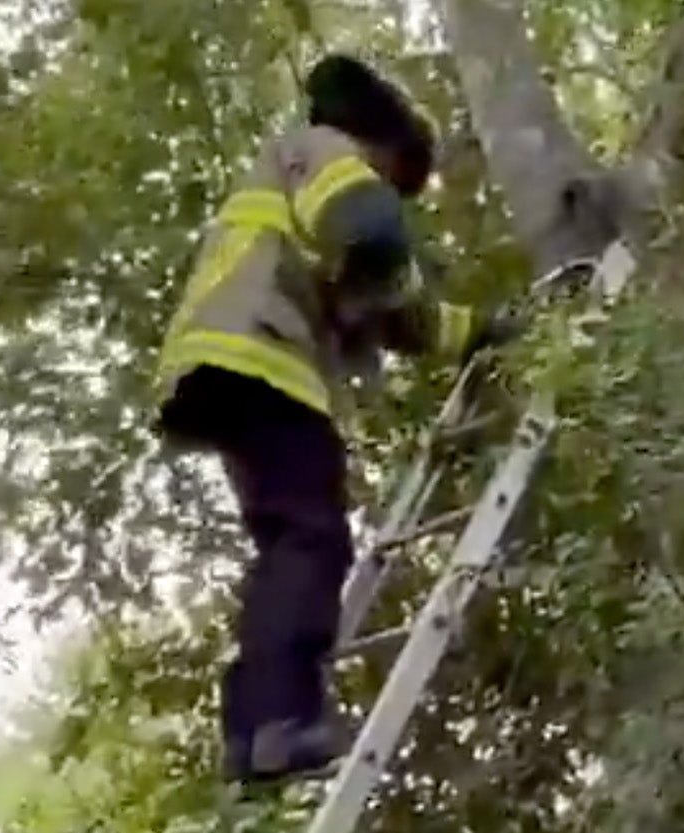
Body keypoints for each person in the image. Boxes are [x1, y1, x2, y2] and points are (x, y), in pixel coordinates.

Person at [151, 53, 516, 786]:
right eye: (394, 179)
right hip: (262, 358)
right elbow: (362, 221)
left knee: (286, 543)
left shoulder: (292, 178)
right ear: (379, 146)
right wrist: (378, 237)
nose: (392, 192)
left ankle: (252, 731)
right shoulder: (324, 149)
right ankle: (284, 723)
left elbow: (405, 319)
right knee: (313, 538)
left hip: (223, 366)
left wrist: (483, 330)